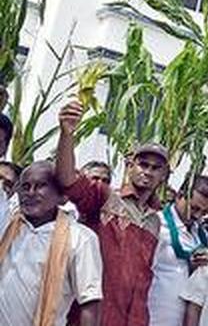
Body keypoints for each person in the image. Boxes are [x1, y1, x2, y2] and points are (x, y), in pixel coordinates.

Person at [56, 99, 168, 326]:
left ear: (164, 175)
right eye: (143, 164)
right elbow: (67, 179)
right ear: (130, 166)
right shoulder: (104, 196)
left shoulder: (156, 221)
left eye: (155, 168)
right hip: (91, 317)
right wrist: (67, 133)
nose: (148, 172)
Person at [0, 161, 102, 326]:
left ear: (62, 197)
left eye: (40, 186)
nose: (31, 193)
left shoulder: (80, 238)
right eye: (25, 187)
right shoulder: (6, 225)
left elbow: (89, 302)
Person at [148, 174, 208, 326]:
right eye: (194, 208)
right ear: (180, 196)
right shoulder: (156, 223)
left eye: (203, 212)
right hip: (156, 315)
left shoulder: (201, 234)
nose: (198, 215)